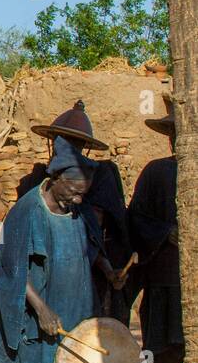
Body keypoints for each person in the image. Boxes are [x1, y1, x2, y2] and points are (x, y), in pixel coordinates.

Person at [0, 138, 95, 363]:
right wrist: (41, 308)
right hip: (34, 325)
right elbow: (9, 269)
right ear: (55, 179)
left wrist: (107, 270)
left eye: (83, 194)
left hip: (70, 319)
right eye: (74, 192)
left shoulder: (76, 211)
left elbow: (86, 252)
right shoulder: (25, 212)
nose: (78, 199)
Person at [17, 100, 131, 323]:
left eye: (76, 144)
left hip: (83, 289)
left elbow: (89, 241)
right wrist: (40, 308)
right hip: (43, 290)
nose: (69, 147)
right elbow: (13, 265)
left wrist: (108, 271)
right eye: (64, 141)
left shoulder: (91, 189)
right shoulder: (31, 198)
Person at [126, 98, 182, 363]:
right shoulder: (156, 171)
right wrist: (165, 232)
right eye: (172, 132)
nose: (176, 138)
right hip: (163, 276)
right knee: (162, 350)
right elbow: (137, 218)